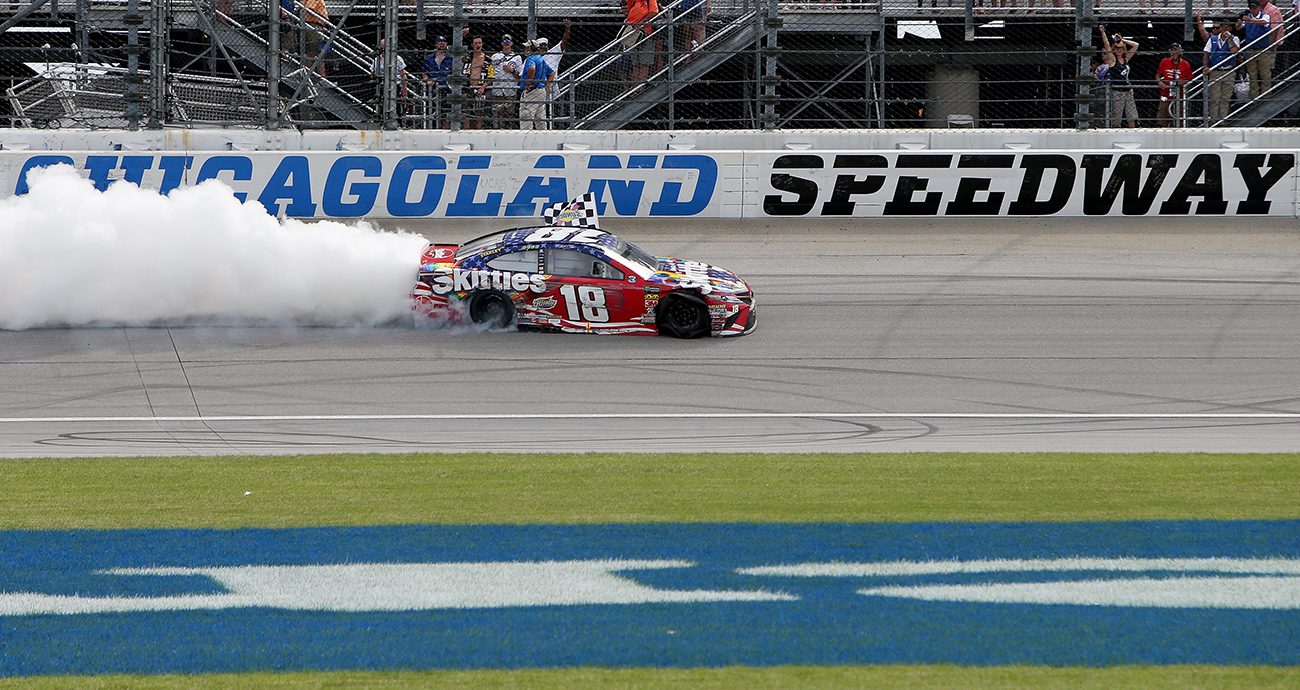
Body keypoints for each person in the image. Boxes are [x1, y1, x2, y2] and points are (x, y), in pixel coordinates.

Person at [1202, 17, 1241, 122]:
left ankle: (1223, 120)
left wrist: (1229, 39)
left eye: (1227, 27)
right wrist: (1205, 66)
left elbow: (1234, 51)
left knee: (1225, 98)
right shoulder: (1213, 39)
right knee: (1215, 97)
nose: (1225, 29)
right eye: (1223, 27)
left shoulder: (1235, 39)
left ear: (1230, 28)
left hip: (1229, 71)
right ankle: (1214, 120)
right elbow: (1206, 53)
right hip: (1216, 71)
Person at [1099, 26, 1139, 127]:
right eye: (1117, 48)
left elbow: (1136, 45)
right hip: (1117, 90)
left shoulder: (1126, 58)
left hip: (1128, 90)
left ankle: (1132, 133)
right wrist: (1103, 33)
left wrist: (1122, 40)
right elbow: (1107, 45)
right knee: (1116, 118)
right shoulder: (1112, 60)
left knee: (1132, 117)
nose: (1119, 50)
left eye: (1121, 48)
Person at [1237, 0, 1272, 98]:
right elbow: (1238, 28)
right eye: (1251, 8)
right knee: (1252, 74)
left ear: (1259, 8)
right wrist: (1240, 22)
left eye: (1254, 8)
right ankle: (1254, 97)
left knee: (1265, 74)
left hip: (1263, 49)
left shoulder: (1265, 16)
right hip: (1251, 49)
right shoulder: (1248, 17)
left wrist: (1250, 20)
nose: (1252, 10)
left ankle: (1266, 95)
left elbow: (1264, 22)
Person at [519, 40, 555, 130]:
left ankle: (526, 136)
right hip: (541, 91)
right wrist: (547, 86)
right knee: (540, 117)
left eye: (527, 47)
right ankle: (543, 135)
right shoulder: (541, 59)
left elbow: (532, 69)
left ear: (531, 48)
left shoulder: (531, 59)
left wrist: (528, 83)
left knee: (526, 115)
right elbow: (552, 73)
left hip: (532, 90)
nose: (525, 49)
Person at [488, 34, 522, 129]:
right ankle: (496, 130)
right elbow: (490, 73)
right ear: (501, 43)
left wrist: (512, 71)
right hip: (497, 89)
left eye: (508, 41)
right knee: (496, 113)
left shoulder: (517, 57)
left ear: (512, 43)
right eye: (504, 41)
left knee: (509, 114)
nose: (506, 43)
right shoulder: (495, 56)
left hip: (510, 90)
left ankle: (508, 130)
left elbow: (520, 76)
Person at [1155, 43, 1193, 126]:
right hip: (1166, 93)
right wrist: (1160, 82)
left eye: (1176, 50)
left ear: (1180, 51)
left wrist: (1182, 82)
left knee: (1179, 115)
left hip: (1179, 94)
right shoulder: (1165, 61)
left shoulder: (1185, 64)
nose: (1174, 52)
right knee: (1162, 114)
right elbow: (1158, 75)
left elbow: (1189, 78)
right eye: (1172, 50)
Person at [371, 38, 410, 114]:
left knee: (396, 105)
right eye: (382, 48)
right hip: (382, 85)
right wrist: (380, 75)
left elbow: (403, 74)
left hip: (395, 85)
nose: (384, 50)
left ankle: (397, 119)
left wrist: (404, 88)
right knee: (382, 105)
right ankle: (382, 117)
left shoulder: (398, 59)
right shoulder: (377, 59)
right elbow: (372, 74)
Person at [624, 0, 659, 84]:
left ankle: (640, 87)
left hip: (645, 33)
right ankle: (635, 86)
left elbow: (654, 12)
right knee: (635, 64)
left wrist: (641, 22)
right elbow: (628, 10)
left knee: (644, 64)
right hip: (633, 33)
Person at [423, 36, 454, 127]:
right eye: (439, 42)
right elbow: (424, 73)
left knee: (446, 113)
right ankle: (431, 127)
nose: (442, 44)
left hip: (446, 88)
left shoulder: (450, 58)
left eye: (444, 42)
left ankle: (445, 127)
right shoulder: (429, 58)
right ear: (436, 44)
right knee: (431, 111)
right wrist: (427, 80)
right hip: (432, 88)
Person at [461, 34, 488, 129]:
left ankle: (478, 132)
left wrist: (483, 88)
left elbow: (491, 76)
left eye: (479, 43)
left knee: (479, 114)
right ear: (472, 45)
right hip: (467, 88)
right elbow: (460, 70)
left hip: (480, 88)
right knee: (466, 113)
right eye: (476, 43)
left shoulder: (487, 59)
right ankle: (466, 131)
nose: (478, 45)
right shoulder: (467, 58)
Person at [301, 0, 329, 77]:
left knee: (313, 53)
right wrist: (322, 17)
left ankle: (309, 75)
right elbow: (310, 9)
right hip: (314, 25)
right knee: (315, 52)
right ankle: (320, 76)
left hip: (315, 25)